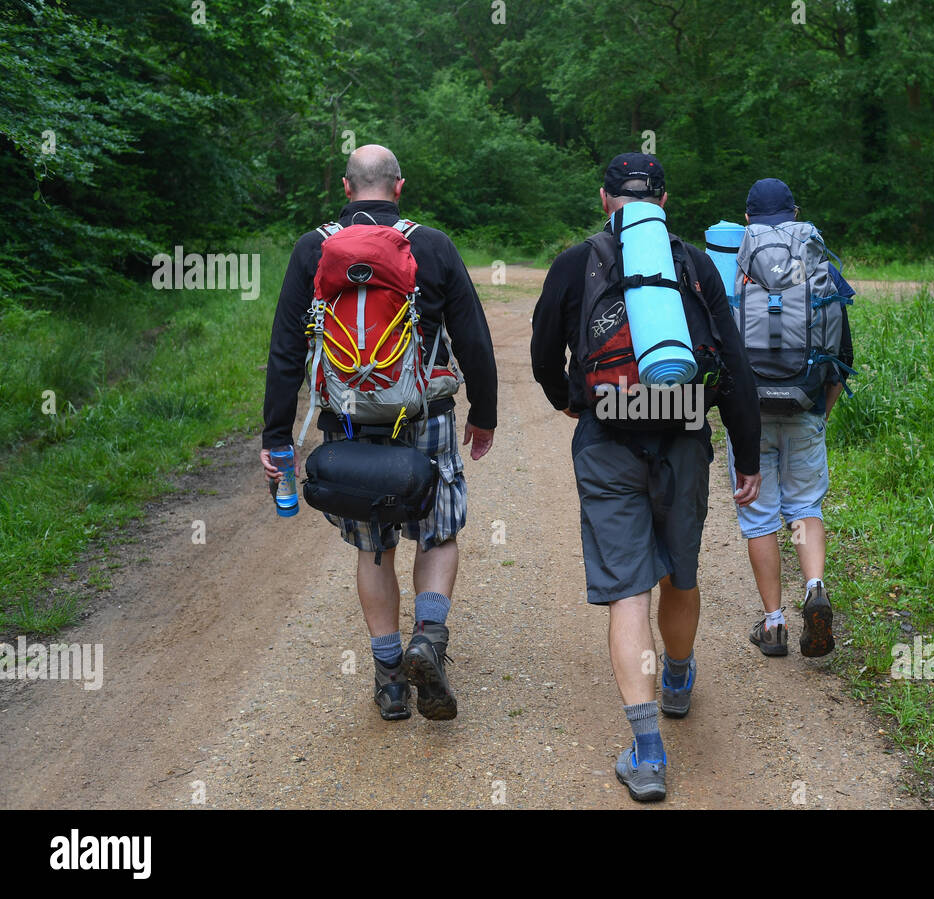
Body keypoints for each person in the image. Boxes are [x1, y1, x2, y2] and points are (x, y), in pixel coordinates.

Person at [531, 152, 762, 802]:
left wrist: (568, 398)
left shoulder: (576, 263)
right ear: (664, 202)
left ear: (605, 198)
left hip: (607, 435)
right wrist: (748, 455)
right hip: (684, 433)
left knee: (629, 589)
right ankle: (680, 680)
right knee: (677, 571)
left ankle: (648, 751)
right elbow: (734, 365)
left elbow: (544, 349)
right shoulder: (691, 265)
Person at [260, 145, 497, 723]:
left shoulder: (313, 248)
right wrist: (483, 412)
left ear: (346, 188)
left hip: (347, 425)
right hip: (424, 417)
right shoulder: (432, 244)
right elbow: (472, 334)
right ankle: (429, 639)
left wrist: (277, 437)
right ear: (399, 187)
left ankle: (390, 680)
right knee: (436, 535)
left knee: (373, 545)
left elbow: (287, 350)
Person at [728, 178, 855, 659]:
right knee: (804, 508)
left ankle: (775, 624)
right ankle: (815, 589)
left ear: (747, 218)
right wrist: (820, 410)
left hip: (751, 417)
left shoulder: (734, 269)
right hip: (805, 407)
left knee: (759, 516)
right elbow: (841, 356)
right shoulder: (821, 268)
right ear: (796, 213)